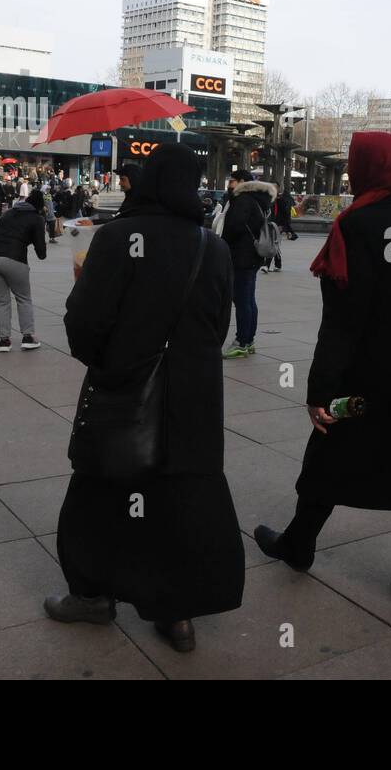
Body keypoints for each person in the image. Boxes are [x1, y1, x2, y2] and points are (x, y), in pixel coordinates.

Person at [253, 131, 391, 614]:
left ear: (366, 168)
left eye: (354, 163)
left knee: (328, 458)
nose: (348, 171)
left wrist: (320, 388)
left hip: (370, 373)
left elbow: (344, 322)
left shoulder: (357, 225)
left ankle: (298, 545)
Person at [48, 143, 244, 653]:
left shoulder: (118, 238)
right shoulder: (213, 246)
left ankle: (92, 595)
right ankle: (175, 612)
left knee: (99, 494)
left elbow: (85, 327)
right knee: (178, 502)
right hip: (195, 402)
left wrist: (86, 305)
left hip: (127, 394)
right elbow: (219, 327)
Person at [219, 169, 276, 358]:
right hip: (252, 256)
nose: (229, 184)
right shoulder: (260, 199)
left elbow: (233, 227)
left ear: (242, 181)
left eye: (232, 181)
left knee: (243, 300)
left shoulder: (243, 200)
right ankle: (249, 340)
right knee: (248, 300)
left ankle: (242, 342)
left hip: (241, 256)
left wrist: (222, 242)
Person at [0, 193, 47, 351]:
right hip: (15, 260)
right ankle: (28, 337)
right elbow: (41, 253)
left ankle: (4, 341)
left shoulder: (8, 213)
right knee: (23, 298)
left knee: (1, 301)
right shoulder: (36, 218)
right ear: (39, 207)